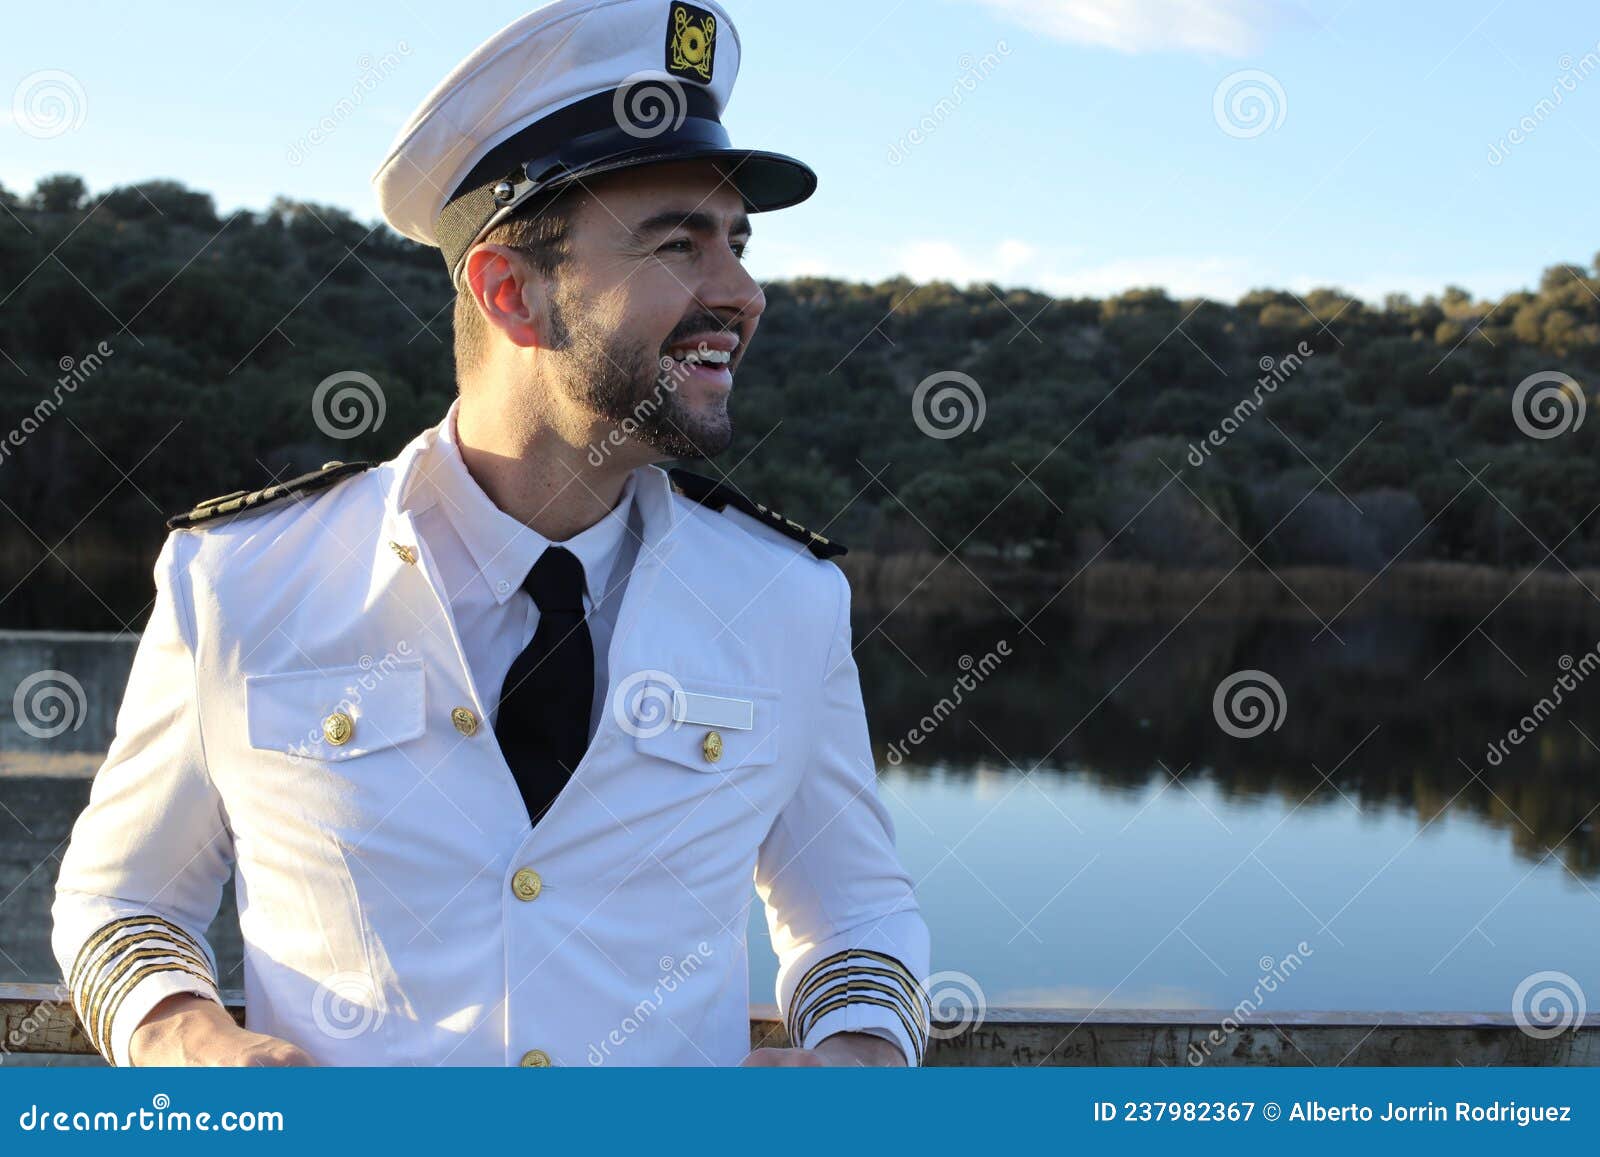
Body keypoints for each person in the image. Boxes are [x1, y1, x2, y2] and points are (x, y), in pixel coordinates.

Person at [52, 0, 930, 1068]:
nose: (740, 292)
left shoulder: (785, 599)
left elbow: (856, 914)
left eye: (737, 244)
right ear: (512, 291)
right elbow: (121, 899)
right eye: (677, 243)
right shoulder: (239, 579)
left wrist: (860, 1055)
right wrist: (184, 1037)